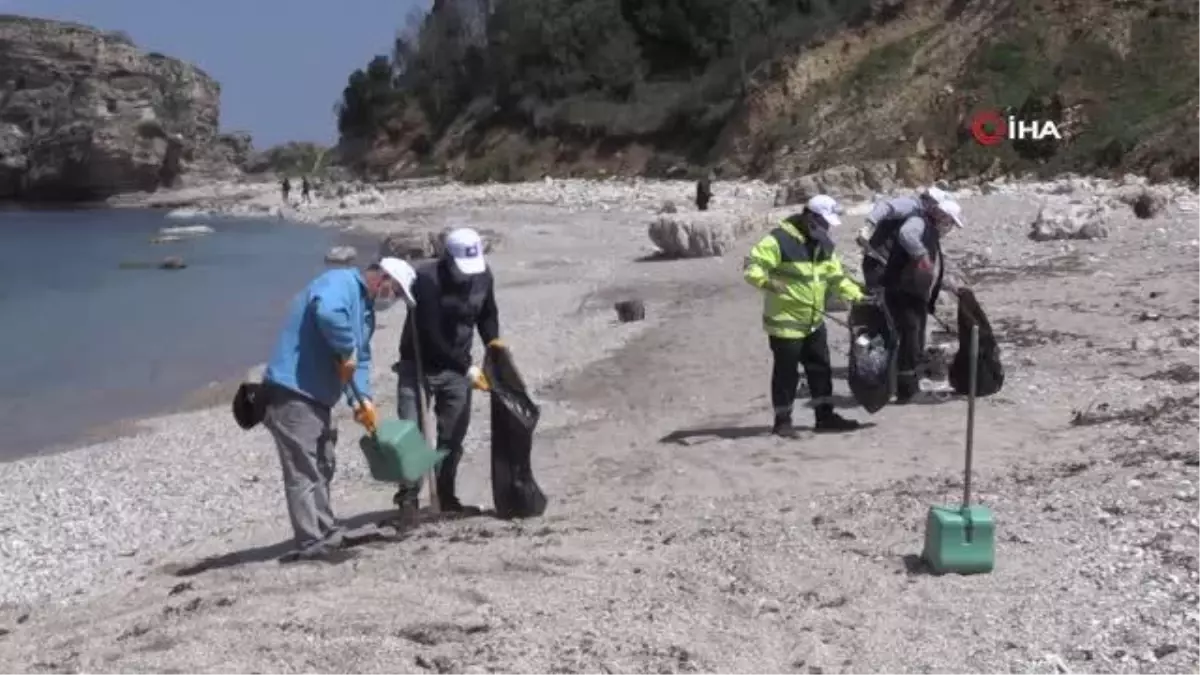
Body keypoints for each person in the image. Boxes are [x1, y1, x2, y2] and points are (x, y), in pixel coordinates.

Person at [260, 257, 415, 563]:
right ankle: (311, 541)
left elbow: (361, 359)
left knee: (324, 464)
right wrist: (346, 348)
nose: (394, 299)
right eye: (395, 292)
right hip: (292, 391)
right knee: (304, 468)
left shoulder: (366, 311)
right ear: (383, 277)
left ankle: (326, 530)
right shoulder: (340, 282)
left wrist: (362, 400)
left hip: (318, 397)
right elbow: (328, 314)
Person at [393, 227, 500, 514]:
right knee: (410, 435)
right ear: (447, 259)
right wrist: (467, 368)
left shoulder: (483, 275)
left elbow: (487, 314)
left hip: (457, 368)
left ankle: (445, 494)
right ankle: (408, 499)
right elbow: (430, 333)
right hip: (417, 363)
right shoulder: (426, 280)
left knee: (453, 435)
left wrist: (495, 344)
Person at [743, 194, 866, 436]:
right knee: (786, 371)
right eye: (823, 223)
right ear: (809, 217)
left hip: (813, 319)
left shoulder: (823, 245)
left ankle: (825, 416)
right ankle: (783, 421)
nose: (826, 228)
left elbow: (835, 277)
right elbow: (752, 266)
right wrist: (767, 282)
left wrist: (857, 295)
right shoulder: (779, 240)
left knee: (820, 367)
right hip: (785, 321)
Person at [860, 187, 965, 403]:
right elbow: (906, 235)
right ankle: (903, 389)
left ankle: (904, 384)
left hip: (910, 291)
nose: (948, 226)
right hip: (900, 288)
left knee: (912, 335)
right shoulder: (917, 217)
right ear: (939, 211)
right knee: (906, 335)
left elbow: (935, 268)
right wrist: (921, 256)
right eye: (948, 220)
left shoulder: (929, 228)